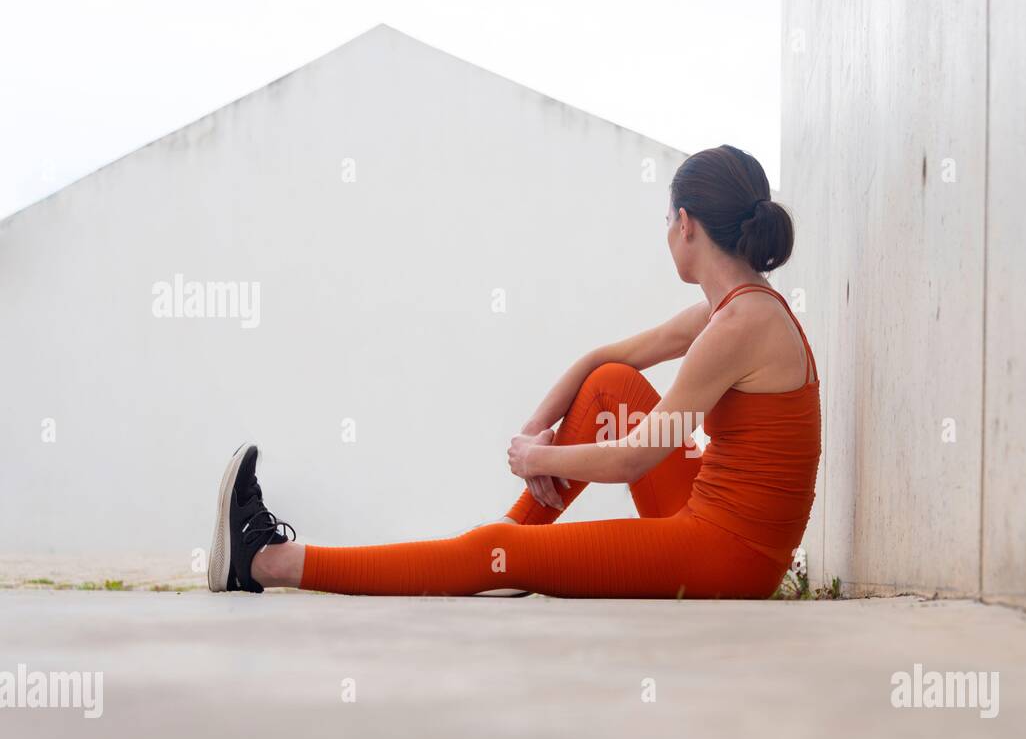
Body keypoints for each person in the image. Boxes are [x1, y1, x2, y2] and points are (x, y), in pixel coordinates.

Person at [207, 145, 820, 599]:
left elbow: (636, 457)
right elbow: (601, 361)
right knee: (609, 385)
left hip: (729, 559)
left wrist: (537, 462)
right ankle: (502, 541)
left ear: (684, 222)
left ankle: (266, 562)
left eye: (666, 220)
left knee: (494, 553)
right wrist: (534, 432)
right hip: (715, 523)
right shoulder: (731, 310)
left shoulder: (738, 329)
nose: (666, 232)